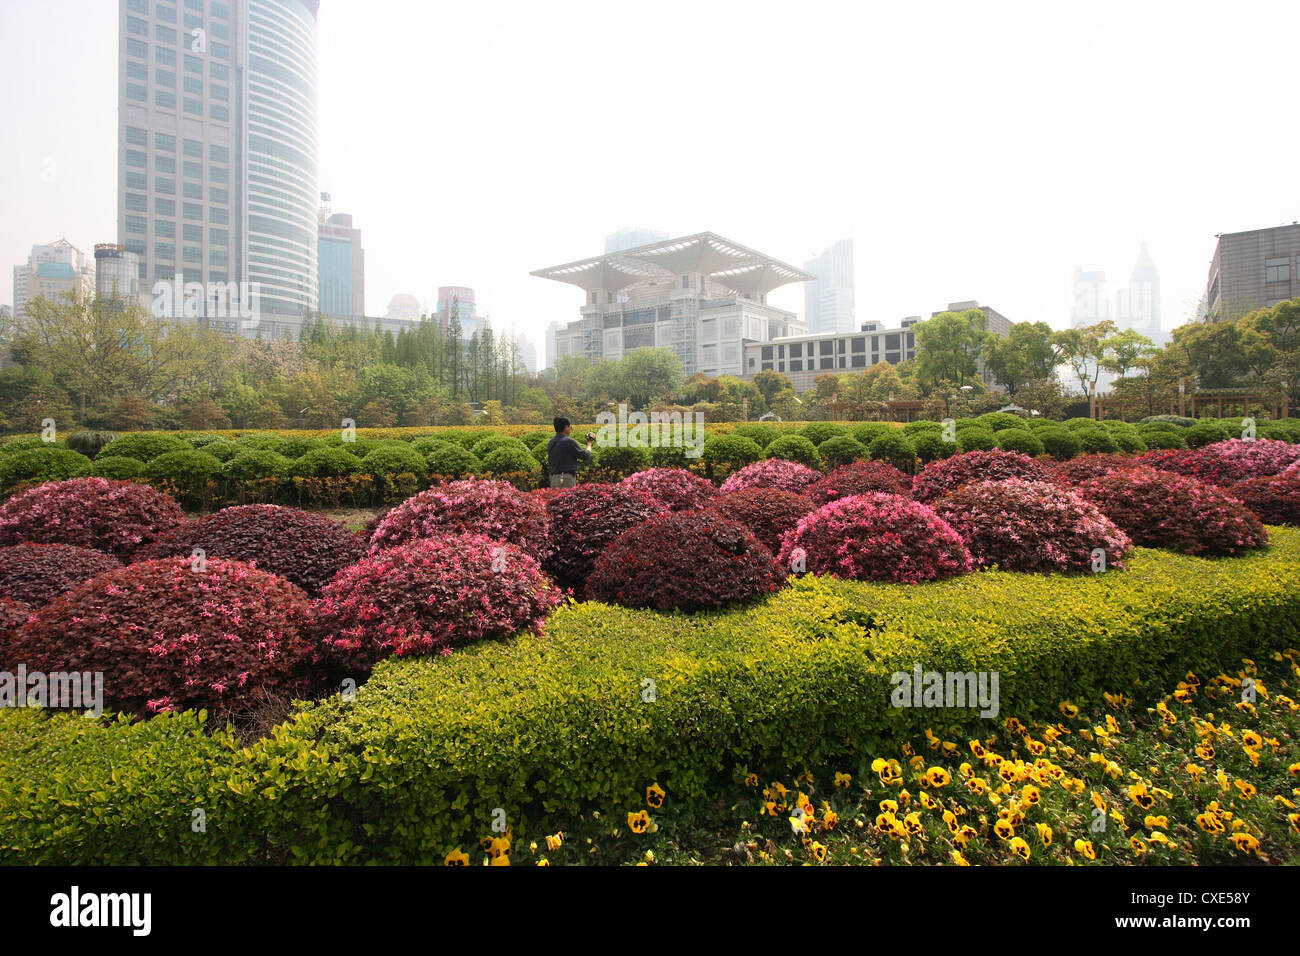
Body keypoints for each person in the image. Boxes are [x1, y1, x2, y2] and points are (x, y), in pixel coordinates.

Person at [547, 416, 593, 489]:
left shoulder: (551, 442)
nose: (570, 429)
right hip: (566, 479)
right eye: (570, 427)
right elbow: (585, 456)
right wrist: (589, 444)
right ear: (566, 427)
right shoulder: (568, 441)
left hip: (554, 478)